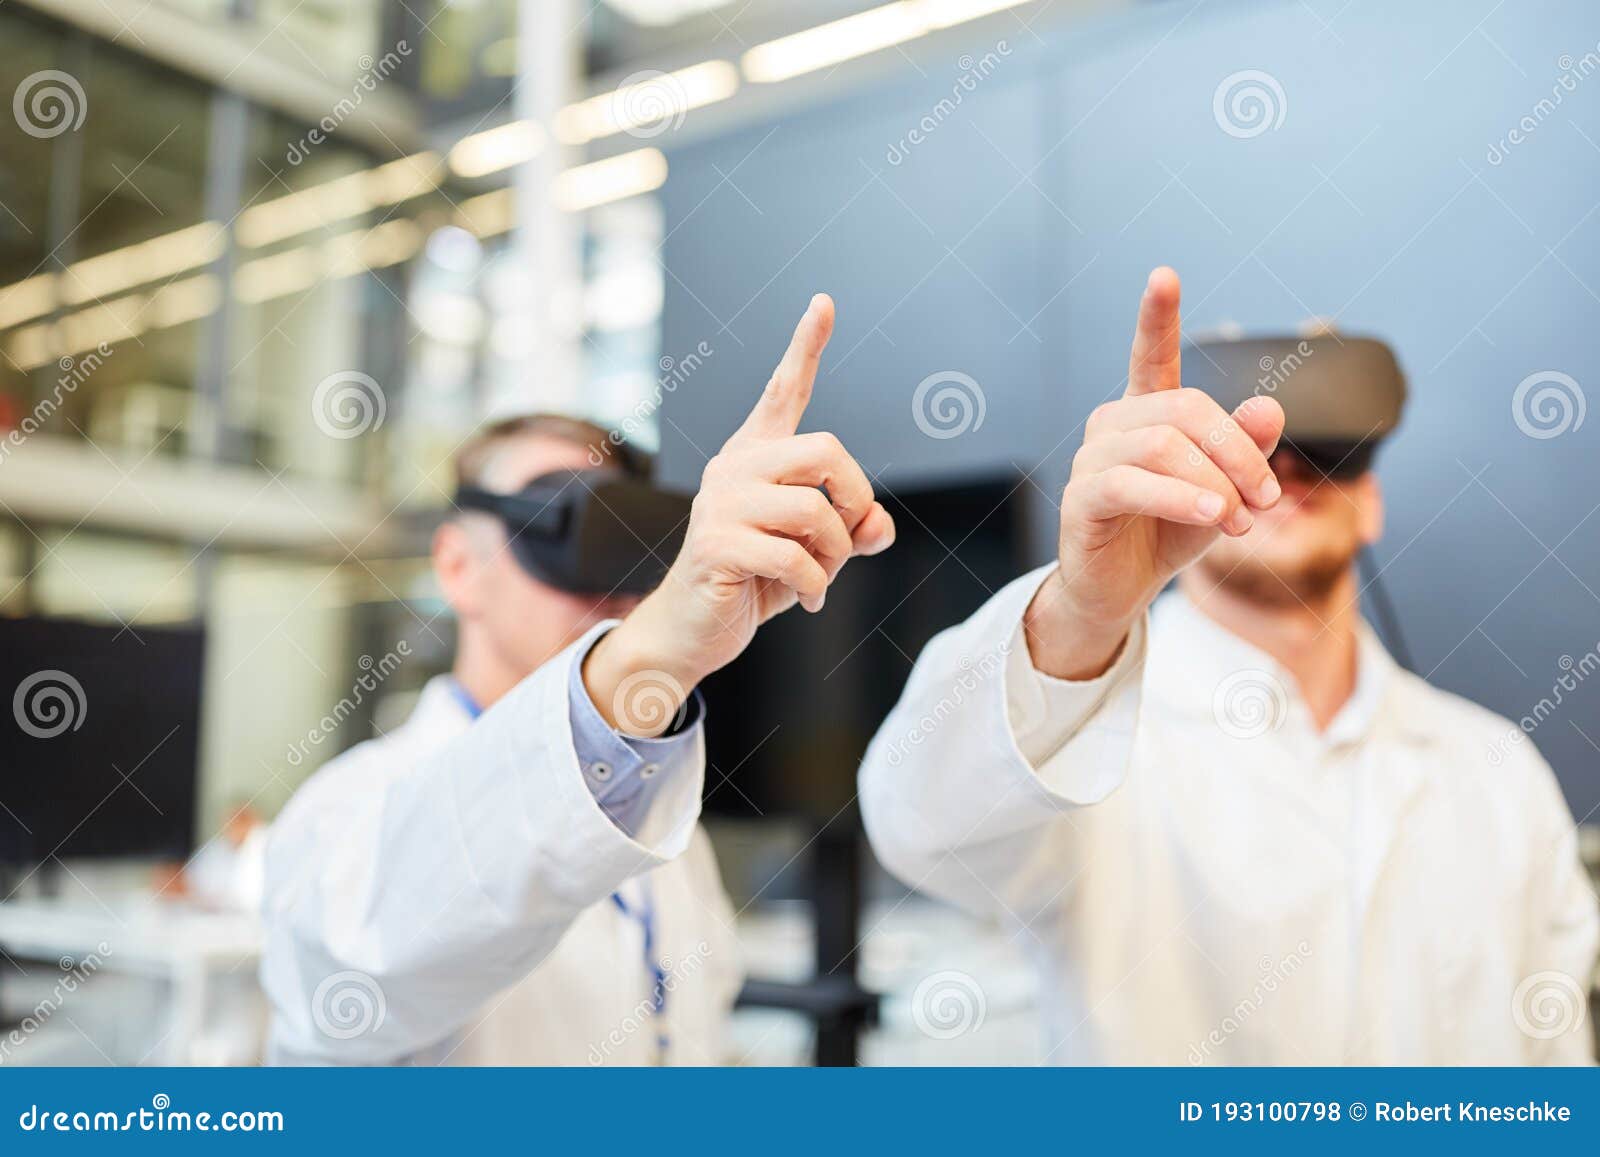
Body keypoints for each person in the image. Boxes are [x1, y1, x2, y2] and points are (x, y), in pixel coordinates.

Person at [860, 268, 1598, 1065]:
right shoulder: (1088, 737)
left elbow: (1555, 1073)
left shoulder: (1496, 775)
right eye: (1249, 447)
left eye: (1326, 455)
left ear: (1372, 498)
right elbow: (916, 822)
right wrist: (1082, 613)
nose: (1283, 474)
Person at [262, 295, 895, 1064]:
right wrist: (655, 651)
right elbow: (363, 971)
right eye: (560, 524)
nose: (602, 578)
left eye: (626, 537)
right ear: (458, 566)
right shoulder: (346, 814)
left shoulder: (665, 825)